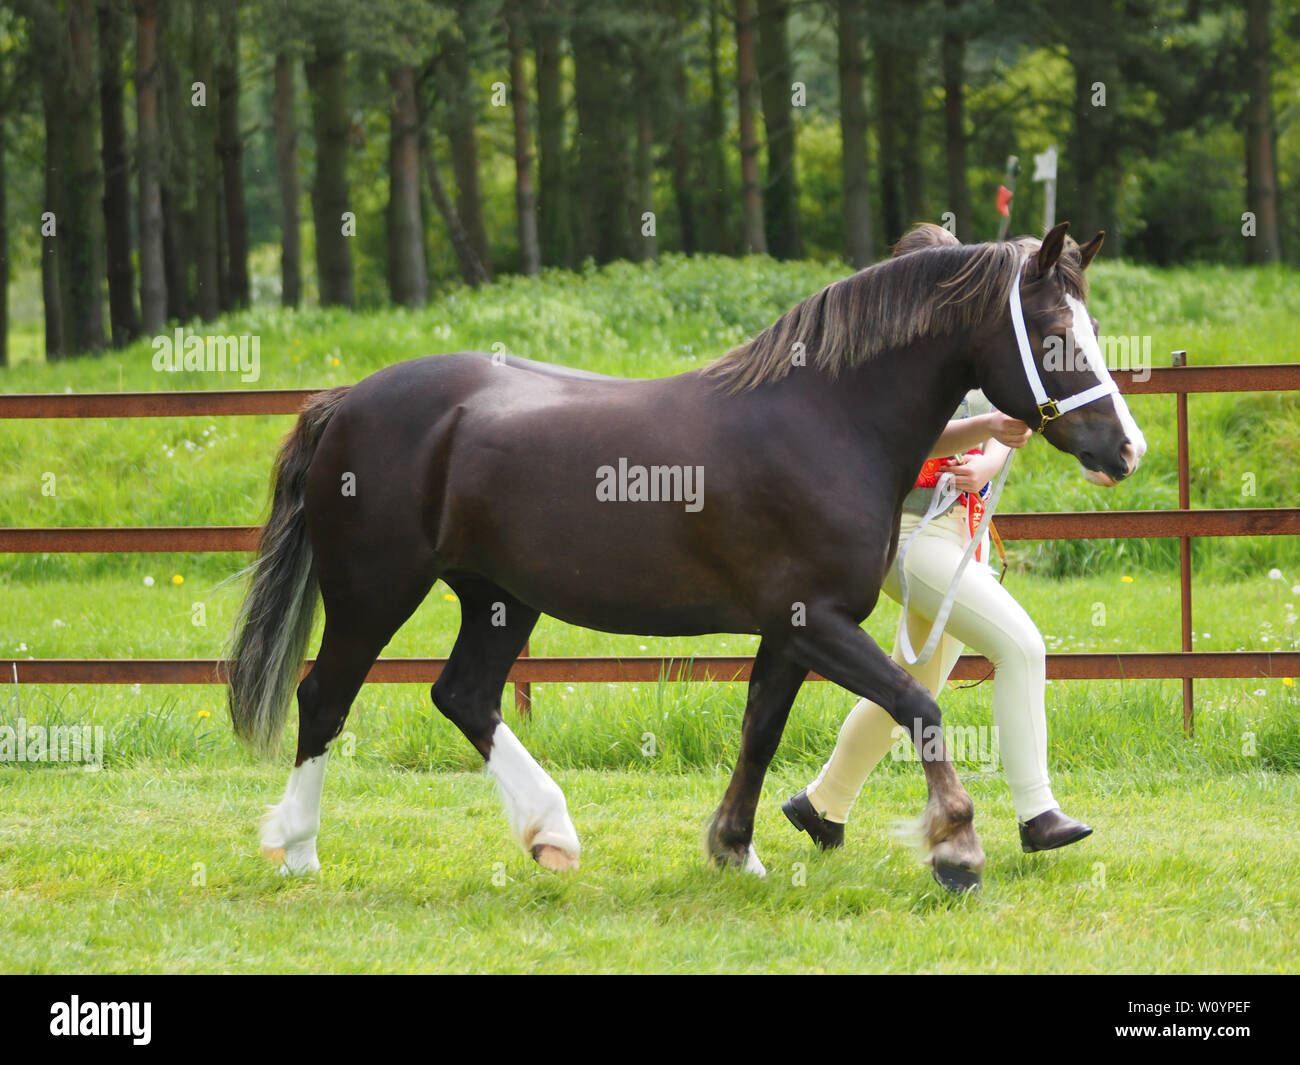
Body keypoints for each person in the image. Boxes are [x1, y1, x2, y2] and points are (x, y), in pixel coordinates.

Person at [782, 224, 1092, 855]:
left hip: (959, 535)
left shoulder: (966, 345)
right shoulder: (883, 357)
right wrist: (983, 433)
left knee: (913, 686)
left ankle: (822, 805)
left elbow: (1003, 422)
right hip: (910, 537)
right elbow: (902, 440)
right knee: (1022, 647)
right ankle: (1038, 812)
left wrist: (990, 459)